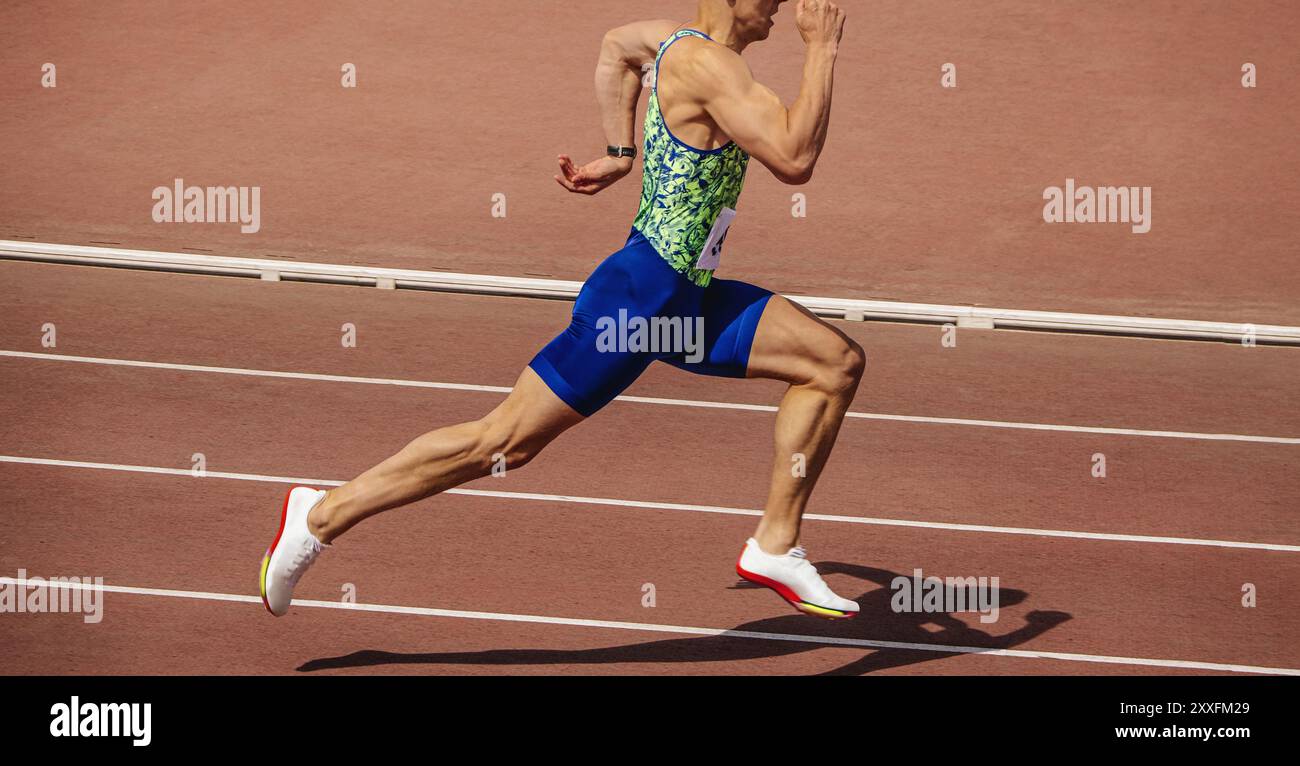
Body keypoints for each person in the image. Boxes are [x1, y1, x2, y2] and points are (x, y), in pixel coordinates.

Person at [261, 0, 863, 620]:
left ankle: (774, 544)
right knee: (502, 442)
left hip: (686, 298)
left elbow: (616, 47)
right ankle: (318, 515)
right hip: (638, 301)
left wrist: (619, 151)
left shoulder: (672, 42)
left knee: (833, 363)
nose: (784, 8)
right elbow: (794, 159)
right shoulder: (708, 65)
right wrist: (821, 48)